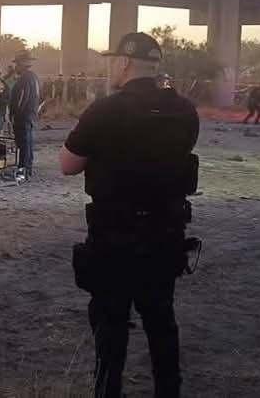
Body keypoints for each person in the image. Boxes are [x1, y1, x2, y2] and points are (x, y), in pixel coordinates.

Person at [60, 32, 199, 398]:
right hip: (165, 233)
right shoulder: (185, 110)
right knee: (161, 322)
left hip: (114, 237)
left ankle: (108, 391)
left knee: (111, 324)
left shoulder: (106, 109)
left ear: (123, 63)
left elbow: (67, 164)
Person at [10, 52, 40, 180]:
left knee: (23, 144)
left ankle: (22, 172)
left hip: (23, 115)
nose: (15, 67)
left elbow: (22, 98)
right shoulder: (34, 77)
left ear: (21, 64)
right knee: (28, 143)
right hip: (31, 114)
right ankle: (28, 170)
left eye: (16, 64)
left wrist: (15, 113)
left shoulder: (24, 79)